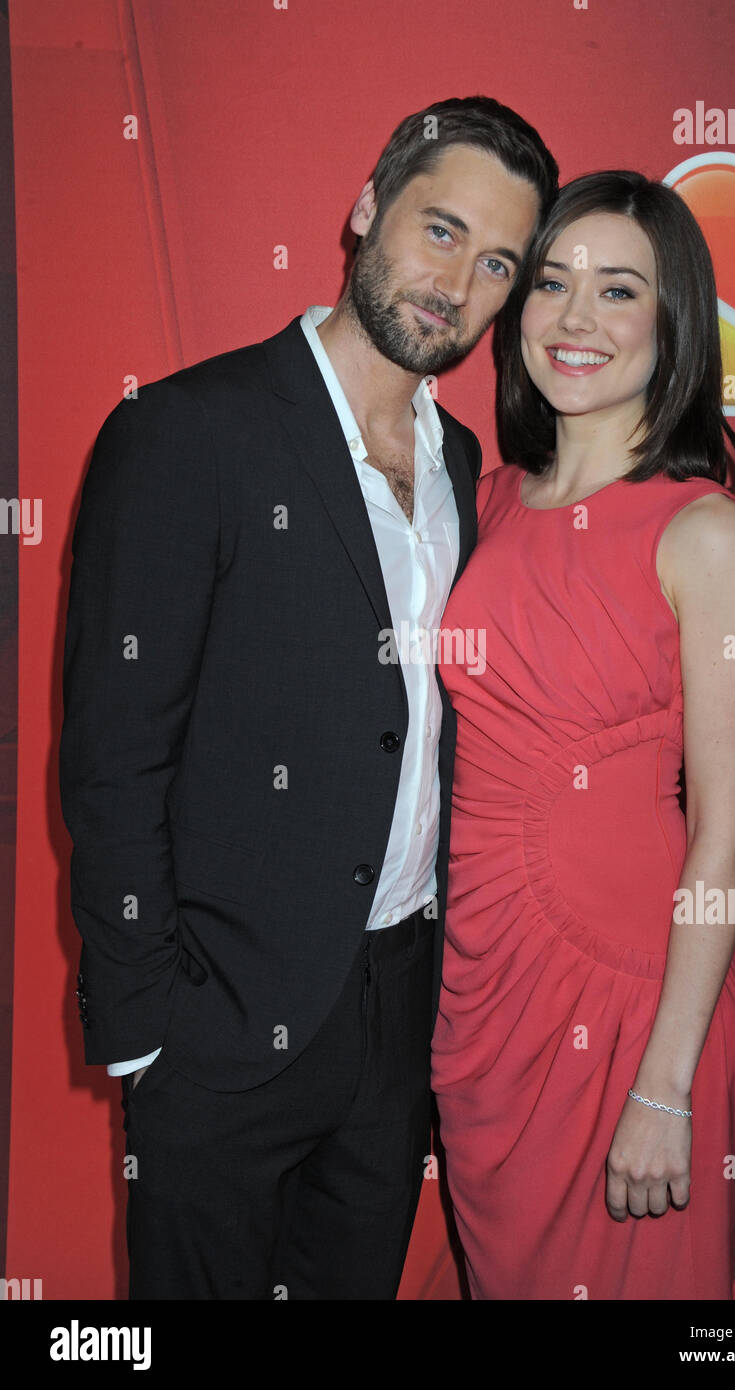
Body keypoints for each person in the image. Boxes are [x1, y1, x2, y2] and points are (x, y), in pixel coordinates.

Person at [59, 95, 557, 1300]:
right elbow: (114, 752)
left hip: (395, 1019)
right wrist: (146, 1033)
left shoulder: (456, 463)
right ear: (366, 207)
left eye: (497, 264)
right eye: (441, 231)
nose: (459, 285)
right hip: (217, 1022)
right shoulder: (190, 429)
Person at [430, 170, 735, 1300]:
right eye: (551, 282)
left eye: (618, 289)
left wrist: (666, 1083)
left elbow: (726, 842)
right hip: (484, 1009)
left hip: (634, 1009)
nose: (576, 318)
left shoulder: (706, 535)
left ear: (672, 323)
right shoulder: (481, 501)